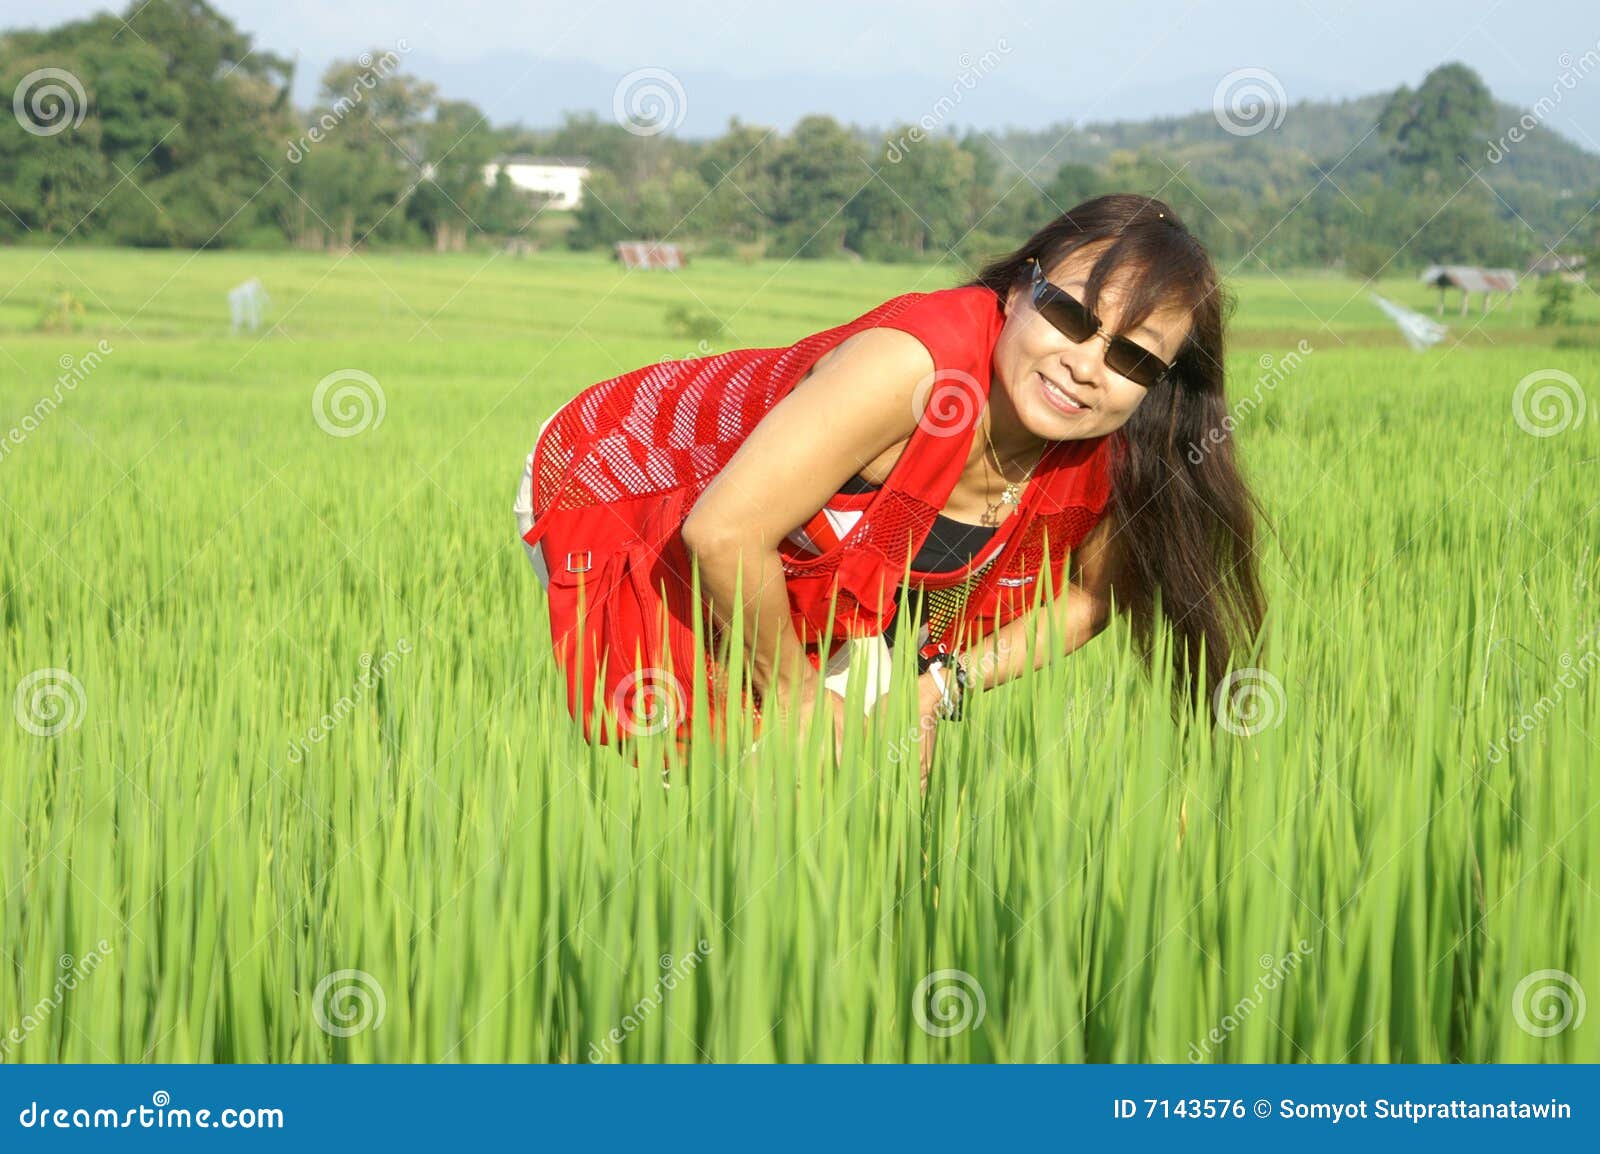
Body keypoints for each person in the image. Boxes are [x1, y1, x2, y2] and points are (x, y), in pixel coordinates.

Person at [514, 194, 1267, 778]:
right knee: (711, 786)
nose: (1087, 364)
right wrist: (796, 698)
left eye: (1132, 359)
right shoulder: (912, 370)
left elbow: (1091, 598)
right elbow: (723, 533)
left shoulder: (1109, 446)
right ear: (1016, 291)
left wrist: (938, 687)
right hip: (639, 487)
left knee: (885, 773)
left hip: (816, 570)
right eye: (1069, 315)